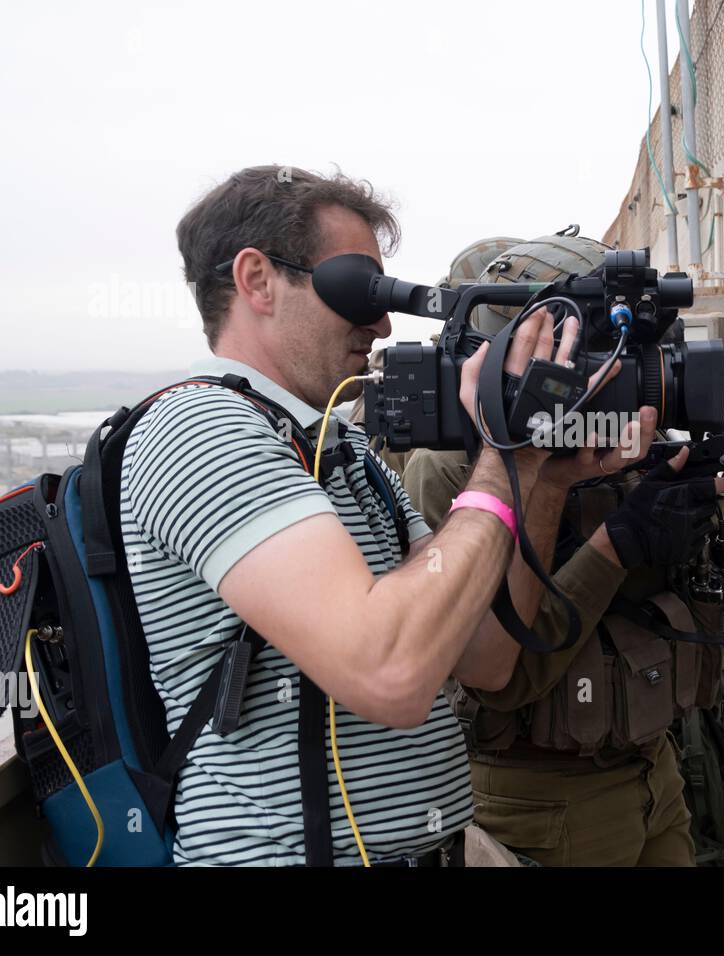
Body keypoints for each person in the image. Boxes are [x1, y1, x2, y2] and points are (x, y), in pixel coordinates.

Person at [122, 166, 586, 865]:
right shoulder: (199, 429)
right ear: (256, 281)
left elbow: (486, 656)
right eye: (358, 289)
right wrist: (505, 458)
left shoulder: (341, 452)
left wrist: (544, 481)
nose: (382, 321)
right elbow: (391, 674)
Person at [401, 234, 724, 866]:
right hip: (535, 804)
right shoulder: (461, 470)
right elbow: (503, 675)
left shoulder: (643, 438)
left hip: (655, 779)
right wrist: (617, 544)